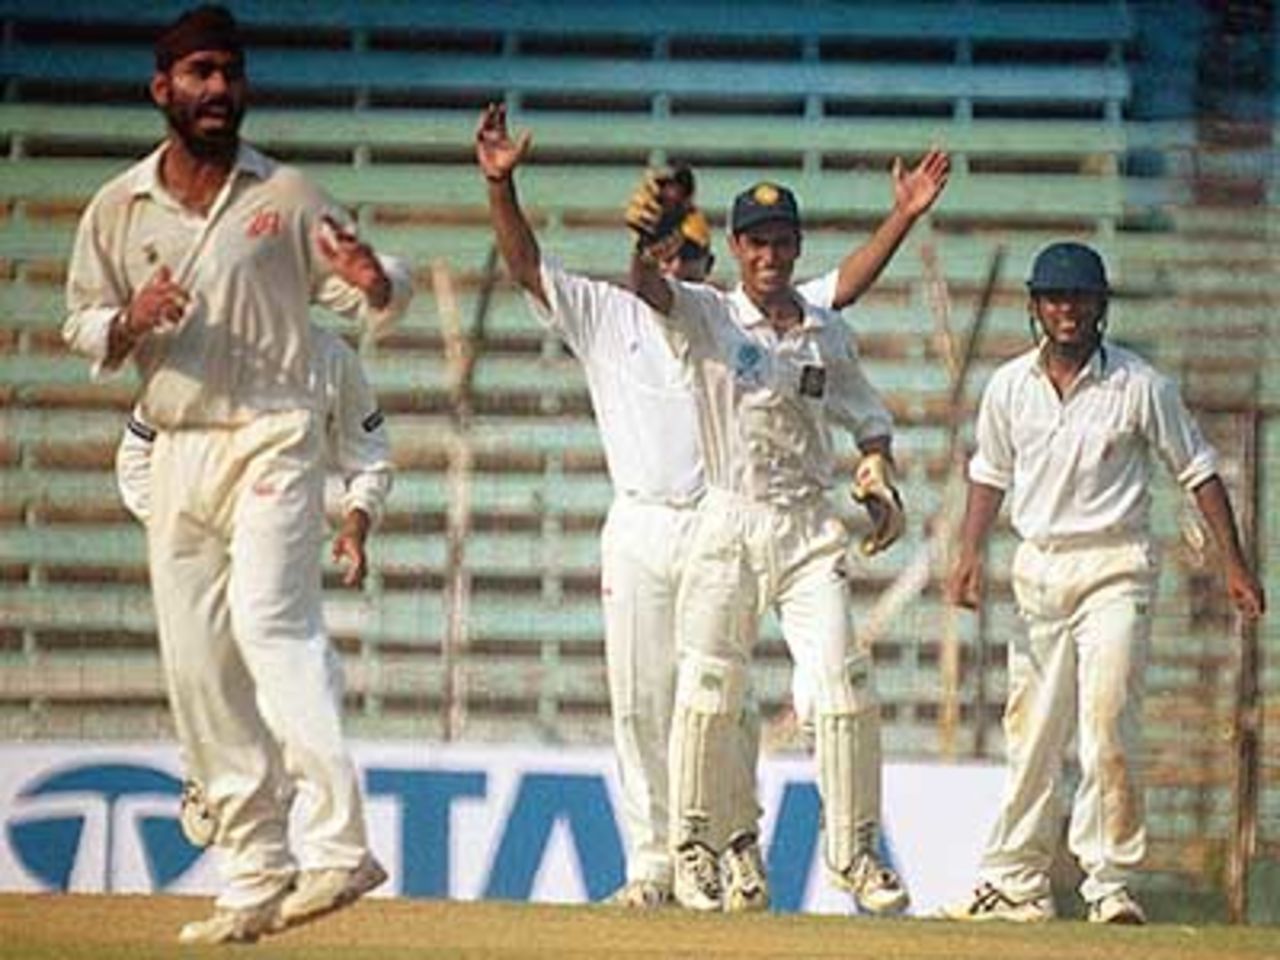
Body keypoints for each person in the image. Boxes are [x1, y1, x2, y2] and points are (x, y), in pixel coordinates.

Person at [476, 102, 943, 913]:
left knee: (797, 691)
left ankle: (767, 848)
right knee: (665, 696)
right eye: (678, 248)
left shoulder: (766, 316)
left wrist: (877, 465)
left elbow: (845, 306)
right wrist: (506, 188)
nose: (685, 261)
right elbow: (565, 274)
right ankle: (670, 856)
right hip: (656, 522)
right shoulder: (654, 307)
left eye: (694, 249)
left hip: (760, 521)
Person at [62, 5, 412, 944]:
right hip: (176, 447)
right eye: (201, 73)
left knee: (271, 623)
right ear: (163, 88)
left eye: (231, 73)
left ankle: (339, 846)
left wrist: (377, 279)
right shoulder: (117, 208)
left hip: (274, 435)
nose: (219, 89)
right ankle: (254, 873)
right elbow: (82, 325)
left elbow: (370, 286)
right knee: (199, 669)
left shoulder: (287, 195)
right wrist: (131, 320)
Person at [626, 150, 949, 913]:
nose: (768, 255)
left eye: (781, 242)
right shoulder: (707, 313)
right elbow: (647, 289)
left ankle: (855, 855)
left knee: (843, 684)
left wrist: (876, 471)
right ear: (737, 250)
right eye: (755, 242)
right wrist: (648, 239)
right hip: (729, 522)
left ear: (796, 248)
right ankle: (696, 849)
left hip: (809, 531)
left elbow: (869, 422)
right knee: (710, 689)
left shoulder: (823, 332)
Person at [941, 242, 1265, 924]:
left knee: (1109, 722)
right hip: (1039, 567)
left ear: (1101, 306)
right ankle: (1016, 881)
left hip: (1116, 565)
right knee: (1032, 730)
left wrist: (1232, 563)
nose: (1068, 310)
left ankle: (1109, 882)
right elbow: (988, 474)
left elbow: (1198, 470)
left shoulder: (1141, 385)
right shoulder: (1008, 386)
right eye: (1055, 298)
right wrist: (968, 552)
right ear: (1036, 306)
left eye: (1080, 298)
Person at [116, 322, 394, 845]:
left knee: (290, 681)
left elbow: (370, 452)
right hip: (204, 548)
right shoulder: (191, 356)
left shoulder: (331, 358)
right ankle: (212, 767)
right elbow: (133, 459)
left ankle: (269, 819)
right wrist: (175, 525)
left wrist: (358, 519)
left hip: (285, 549)